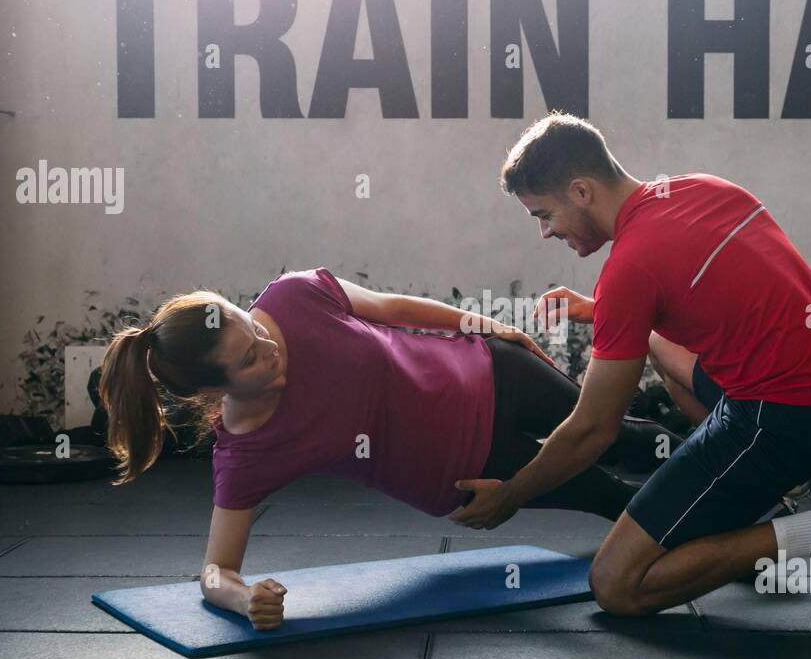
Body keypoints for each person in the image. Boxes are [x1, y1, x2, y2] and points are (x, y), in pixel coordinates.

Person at [450, 113, 811, 622]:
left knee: (617, 584)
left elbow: (594, 429)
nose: (546, 232)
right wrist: (606, 311)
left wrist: (511, 496)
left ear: (581, 191)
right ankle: (772, 486)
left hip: (780, 420)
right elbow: (717, 290)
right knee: (656, 340)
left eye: (545, 215)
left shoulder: (630, 269)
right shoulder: (702, 188)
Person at [97, 268, 674, 630]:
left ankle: (746, 476)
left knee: (622, 435)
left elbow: (392, 307)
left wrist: (483, 324)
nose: (269, 348)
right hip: (469, 472)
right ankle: (729, 539)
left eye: (257, 330)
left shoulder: (296, 296)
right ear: (211, 389)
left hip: (491, 374)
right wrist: (244, 600)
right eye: (250, 359)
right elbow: (215, 571)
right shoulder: (247, 451)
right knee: (609, 497)